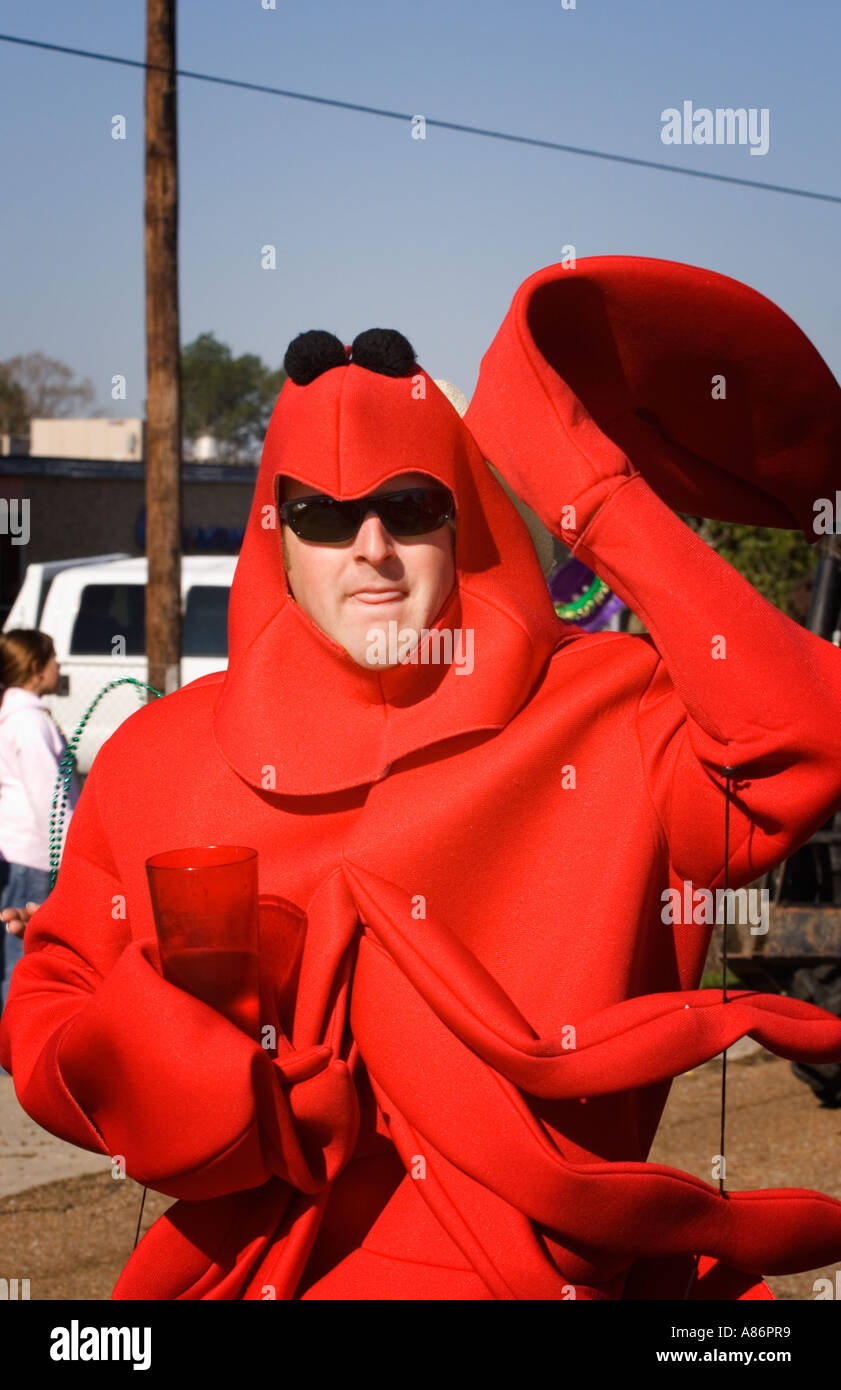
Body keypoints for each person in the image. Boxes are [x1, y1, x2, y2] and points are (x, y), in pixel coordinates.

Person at [3, 265, 841, 1302]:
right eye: (321, 513)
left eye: (407, 506)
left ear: (462, 515)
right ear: (275, 528)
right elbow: (49, 1003)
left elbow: (799, 740)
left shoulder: (613, 709)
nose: (370, 548)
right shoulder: (159, 757)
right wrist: (194, 1082)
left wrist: (589, 488)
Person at [0, 630, 78, 1018]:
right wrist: (74, 857)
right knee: (26, 959)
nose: (58, 666)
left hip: (27, 855)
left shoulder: (24, 717)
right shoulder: (29, 724)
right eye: (52, 659)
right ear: (35, 667)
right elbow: (51, 801)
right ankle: (14, 1052)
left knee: (19, 957)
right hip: (38, 860)